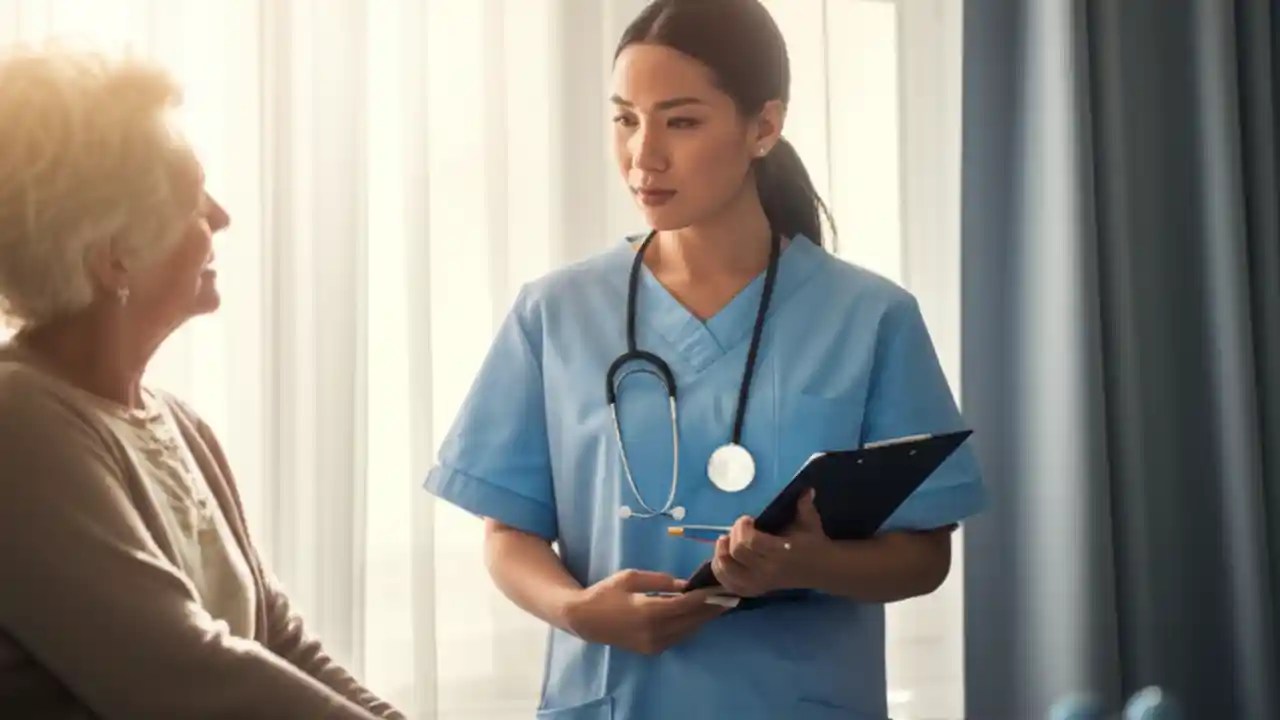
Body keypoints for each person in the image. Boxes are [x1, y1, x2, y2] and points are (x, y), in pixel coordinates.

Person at [423, 0, 986, 717]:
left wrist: (809, 564)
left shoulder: (871, 318)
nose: (643, 155)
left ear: (764, 127)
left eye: (681, 122)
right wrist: (577, 612)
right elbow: (508, 531)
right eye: (625, 118)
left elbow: (925, 555)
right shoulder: (555, 313)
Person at [0, 47, 402, 719]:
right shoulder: (19, 422)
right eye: (192, 198)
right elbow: (186, 673)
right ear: (114, 257)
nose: (219, 217)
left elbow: (281, 641)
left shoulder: (178, 422)